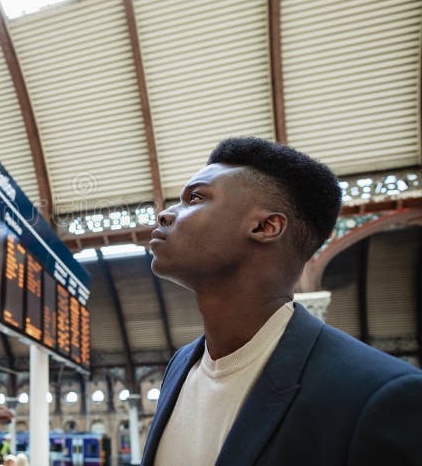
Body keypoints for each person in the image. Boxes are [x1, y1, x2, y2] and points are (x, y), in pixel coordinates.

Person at [141, 137, 422, 466]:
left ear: (265, 226)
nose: (164, 215)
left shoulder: (378, 395)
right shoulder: (180, 366)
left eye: (196, 198)